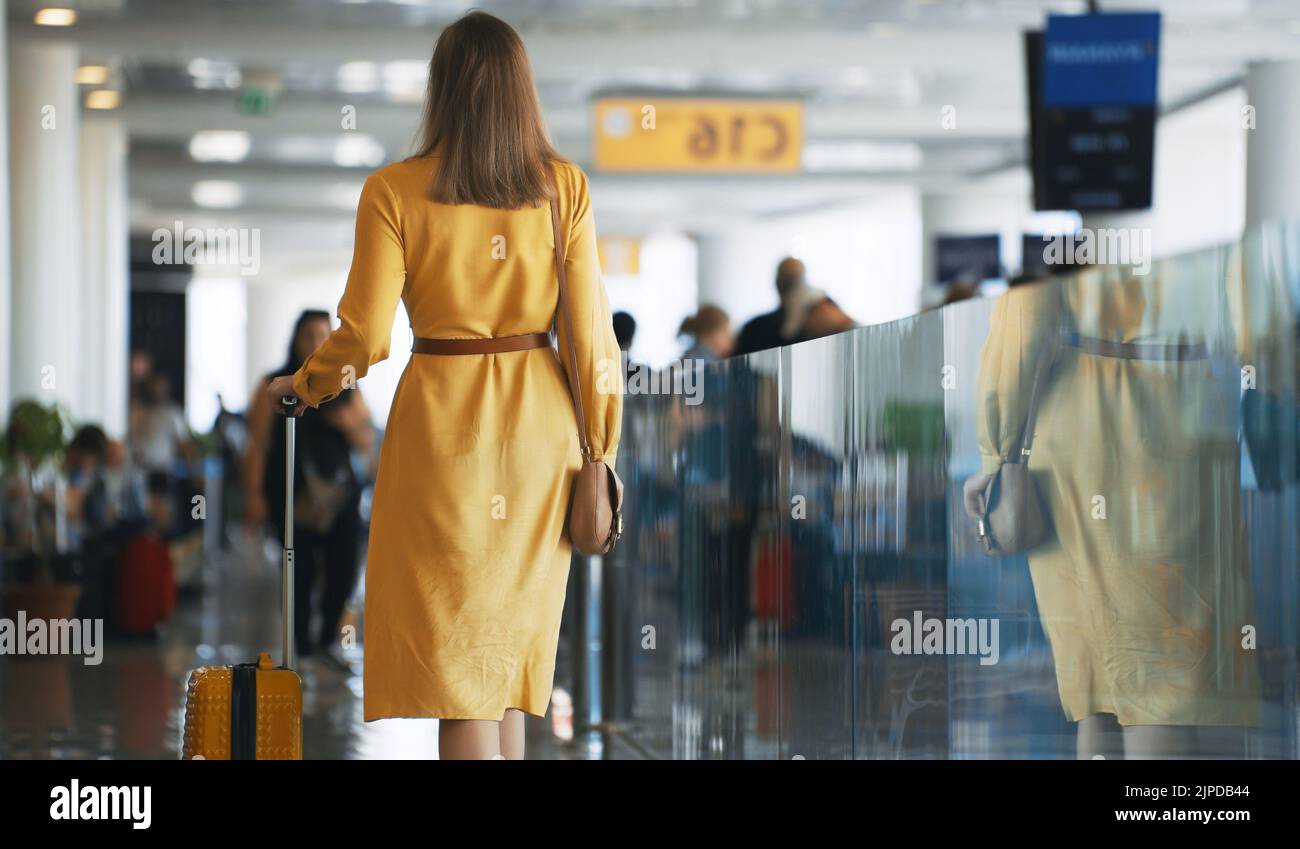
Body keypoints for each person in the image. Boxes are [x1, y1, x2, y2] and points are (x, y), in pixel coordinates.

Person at [264, 11, 622, 760]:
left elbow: (365, 338)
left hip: (441, 429)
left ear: (441, 90)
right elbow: (591, 343)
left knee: (462, 674)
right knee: (509, 667)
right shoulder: (564, 189)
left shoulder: (394, 190)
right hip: (541, 438)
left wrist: (304, 384)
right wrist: (600, 448)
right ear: (522, 93)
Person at [245, 309, 371, 669]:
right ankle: (297, 647)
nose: (316, 344)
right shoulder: (276, 382)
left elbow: (365, 440)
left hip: (340, 497)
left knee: (343, 567)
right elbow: (258, 442)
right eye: (308, 336)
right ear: (296, 340)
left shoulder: (344, 384)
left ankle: (328, 638)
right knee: (296, 571)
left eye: (323, 336)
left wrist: (344, 422)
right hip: (291, 493)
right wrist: (253, 494)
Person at [731, 257, 808, 356]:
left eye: (794, 280)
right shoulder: (754, 328)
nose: (790, 287)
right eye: (789, 280)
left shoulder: (754, 327)